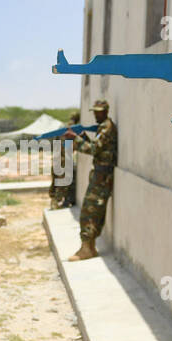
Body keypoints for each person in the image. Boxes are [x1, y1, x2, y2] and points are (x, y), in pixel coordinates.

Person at [64, 99, 116, 261]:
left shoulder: (106, 127)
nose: (95, 114)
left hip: (102, 176)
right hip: (100, 175)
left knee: (89, 211)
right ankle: (89, 247)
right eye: (94, 111)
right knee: (94, 211)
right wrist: (83, 137)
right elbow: (98, 147)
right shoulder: (103, 127)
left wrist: (76, 140)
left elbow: (94, 149)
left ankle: (87, 248)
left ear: (105, 111)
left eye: (98, 111)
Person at [49, 114, 79, 209]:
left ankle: (55, 199)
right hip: (64, 160)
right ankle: (56, 202)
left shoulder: (62, 128)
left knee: (56, 181)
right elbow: (71, 146)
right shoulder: (73, 130)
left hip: (57, 159)